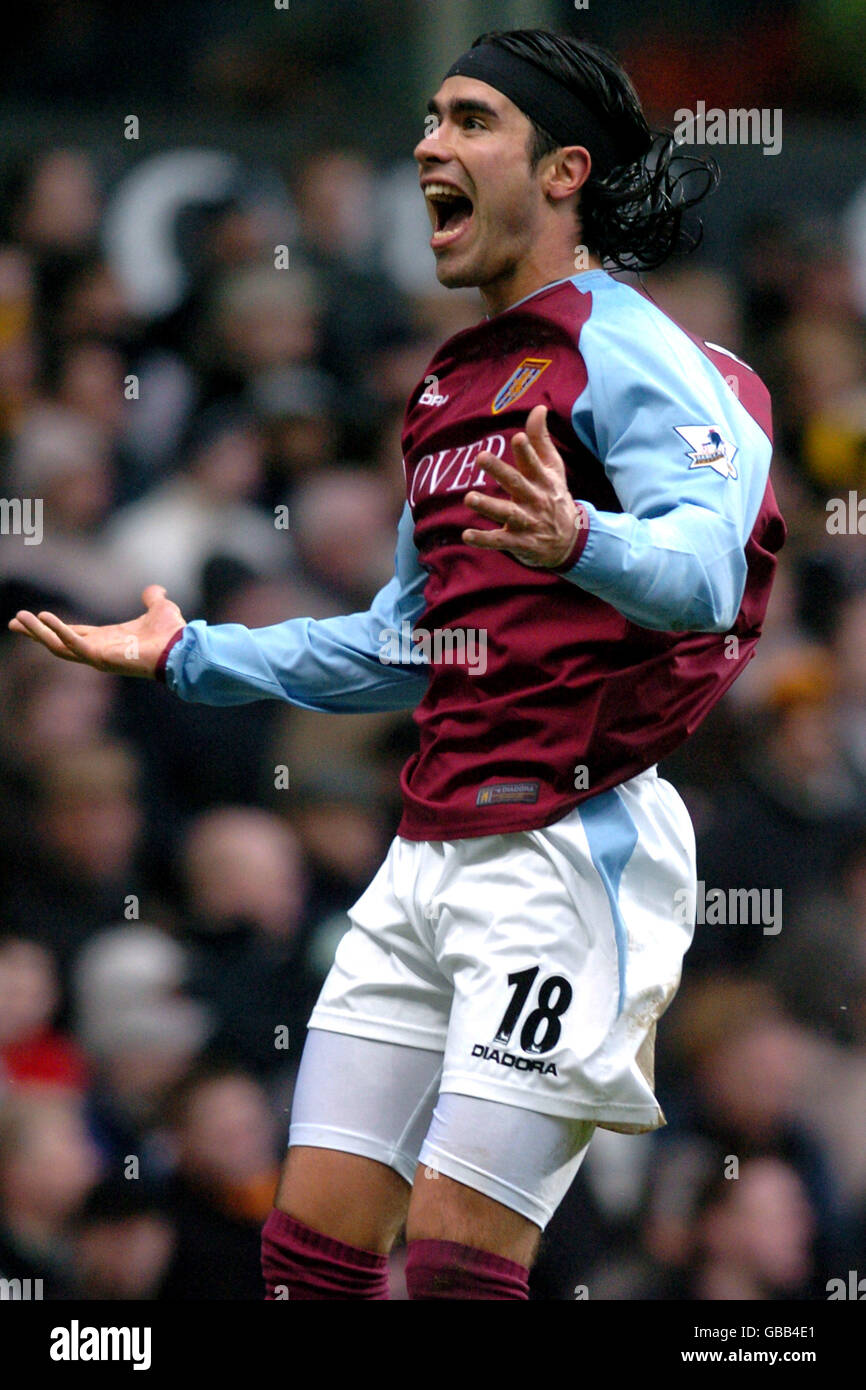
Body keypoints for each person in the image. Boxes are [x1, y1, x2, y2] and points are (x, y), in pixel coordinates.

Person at [9, 28, 785, 1300]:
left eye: (471, 120)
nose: (429, 143)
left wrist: (578, 537)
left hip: (567, 848)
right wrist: (190, 650)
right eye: (428, 116)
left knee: (456, 1272)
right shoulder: (449, 387)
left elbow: (704, 575)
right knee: (306, 1261)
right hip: (424, 850)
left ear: (562, 171)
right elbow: (403, 644)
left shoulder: (630, 347)